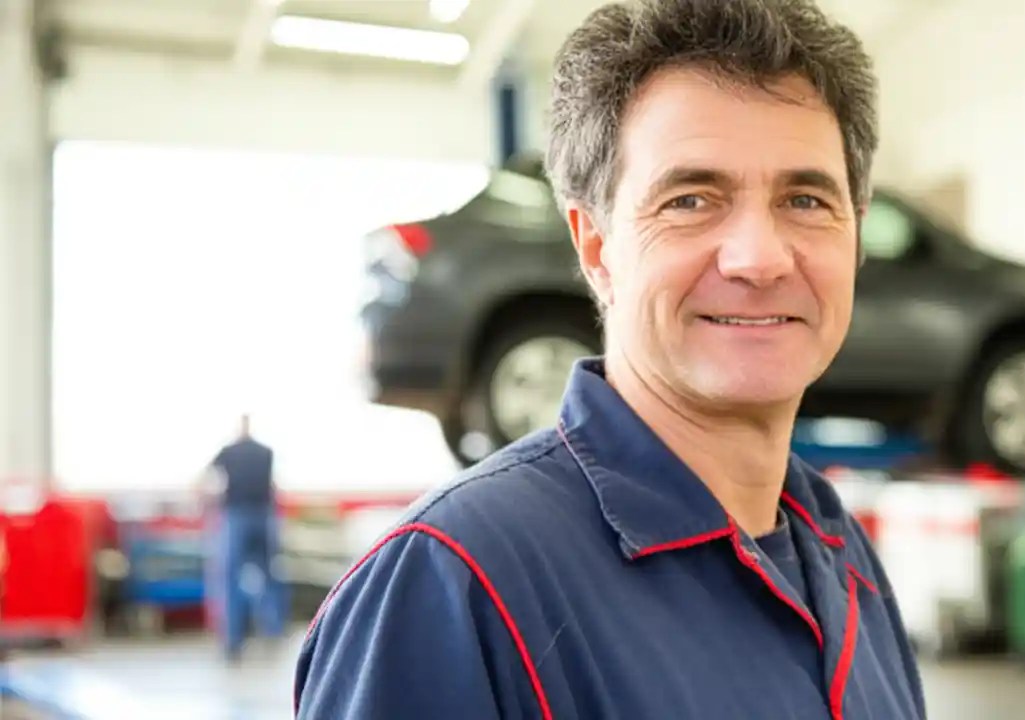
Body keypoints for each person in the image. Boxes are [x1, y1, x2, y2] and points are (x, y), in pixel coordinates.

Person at [294, 0, 925, 717]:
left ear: (856, 234)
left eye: (806, 199)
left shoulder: (841, 554)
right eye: (691, 200)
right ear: (596, 248)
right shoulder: (455, 582)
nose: (759, 258)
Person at [205, 414, 287, 662]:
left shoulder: (227, 452)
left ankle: (233, 639)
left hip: (237, 516)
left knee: (230, 578)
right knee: (269, 575)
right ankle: (273, 631)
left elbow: (205, 481)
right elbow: (274, 486)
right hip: (264, 515)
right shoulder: (265, 452)